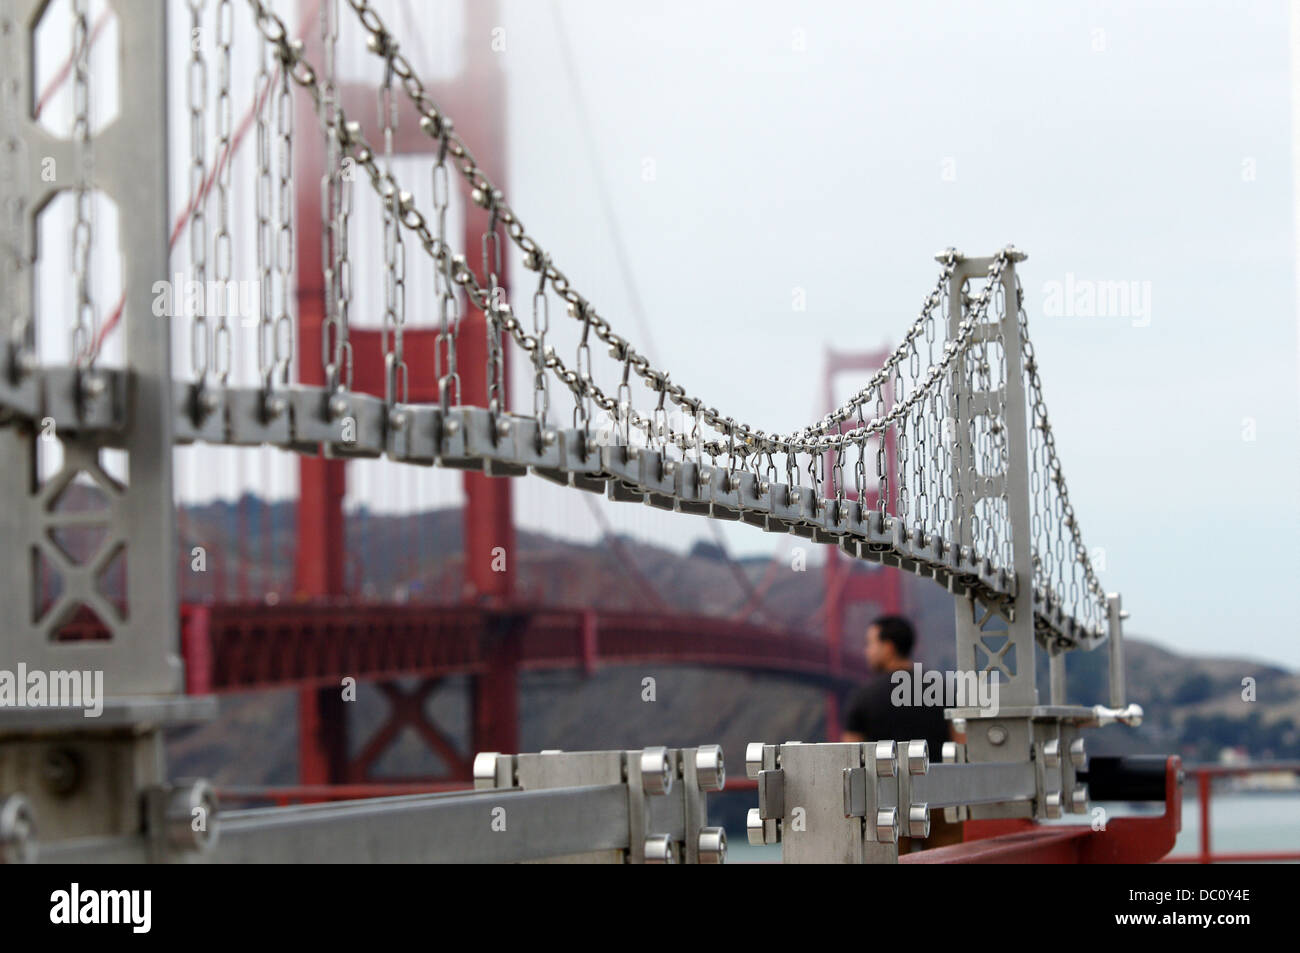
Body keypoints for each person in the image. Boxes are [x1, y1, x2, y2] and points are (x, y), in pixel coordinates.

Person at [841, 615, 963, 850]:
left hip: (886, 801)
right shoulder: (942, 688)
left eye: (870, 644)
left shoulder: (863, 696)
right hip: (939, 796)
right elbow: (960, 743)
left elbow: (850, 756)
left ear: (888, 647)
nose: (866, 651)